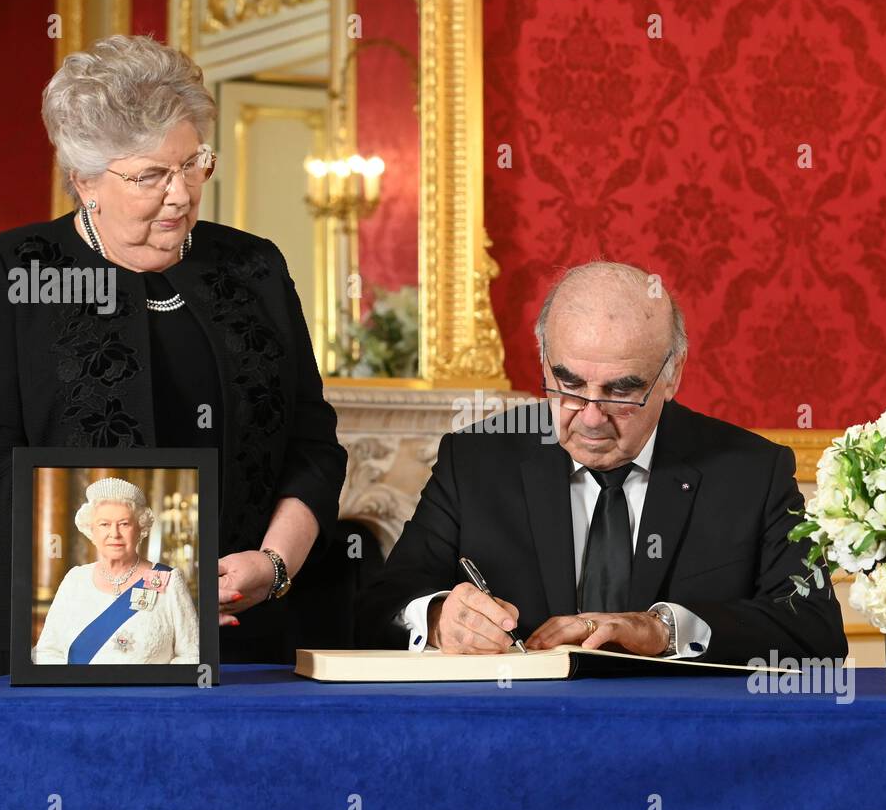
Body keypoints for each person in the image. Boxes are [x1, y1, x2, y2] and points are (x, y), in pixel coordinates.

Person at [0, 35, 346, 671]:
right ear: (85, 182)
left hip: (240, 623)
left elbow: (312, 443)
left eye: (192, 164)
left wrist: (274, 565)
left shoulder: (253, 266)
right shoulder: (14, 268)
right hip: (76, 631)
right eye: (150, 175)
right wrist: (117, 580)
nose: (182, 193)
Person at [357, 261, 846, 662]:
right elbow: (380, 604)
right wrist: (439, 617)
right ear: (543, 360)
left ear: (672, 374)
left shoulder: (751, 472)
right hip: (517, 737)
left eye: (621, 390)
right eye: (568, 384)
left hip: (687, 745)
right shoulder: (475, 462)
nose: (590, 418)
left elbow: (814, 632)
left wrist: (663, 629)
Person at [32, 478, 198, 664]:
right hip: (80, 693)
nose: (114, 533)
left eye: (124, 524)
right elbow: (47, 651)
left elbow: (193, 655)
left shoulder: (167, 579)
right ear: (91, 530)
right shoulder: (75, 580)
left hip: (147, 693)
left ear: (140, 529)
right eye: (104, 524)